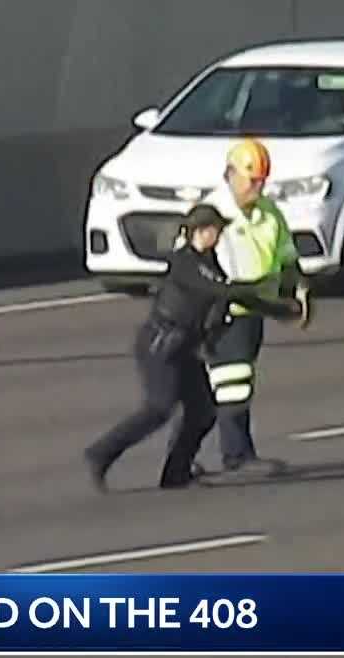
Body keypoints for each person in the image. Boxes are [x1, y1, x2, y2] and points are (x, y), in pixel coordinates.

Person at [84, 204, 305, 492]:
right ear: (199, 232)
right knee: (158, 408)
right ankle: (101, 453)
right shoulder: (186, 263)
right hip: (159, 345)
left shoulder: (208, 262)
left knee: (203, 411)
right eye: (215, 229)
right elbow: (225, 290)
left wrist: (279, 310)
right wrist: (264, 284)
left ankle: (176, 473)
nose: (219, 235)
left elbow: (231, 296)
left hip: (184, 347)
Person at [196, 138, 310, 477]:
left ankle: (190, 457)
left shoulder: (269, 212)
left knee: (231, 386)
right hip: (221, 312)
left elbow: (287, 257)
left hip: (255, 309)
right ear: (230, 174)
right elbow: (190, 265)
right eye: (251, 181)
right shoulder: (210, 214)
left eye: (261, 181)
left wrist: (297, 293)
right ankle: (237, 455)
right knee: (232, 385)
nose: (256, 188)